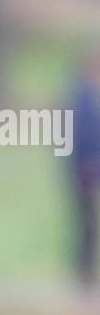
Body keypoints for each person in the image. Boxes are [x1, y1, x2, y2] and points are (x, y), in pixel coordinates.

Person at [66, 48, 100, 287]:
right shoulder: (78, 99)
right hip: (82, 172)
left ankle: (85, 273)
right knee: (85, 225)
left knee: (89, 225)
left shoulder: (90, 97)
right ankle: (82, 275)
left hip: (91, 170)